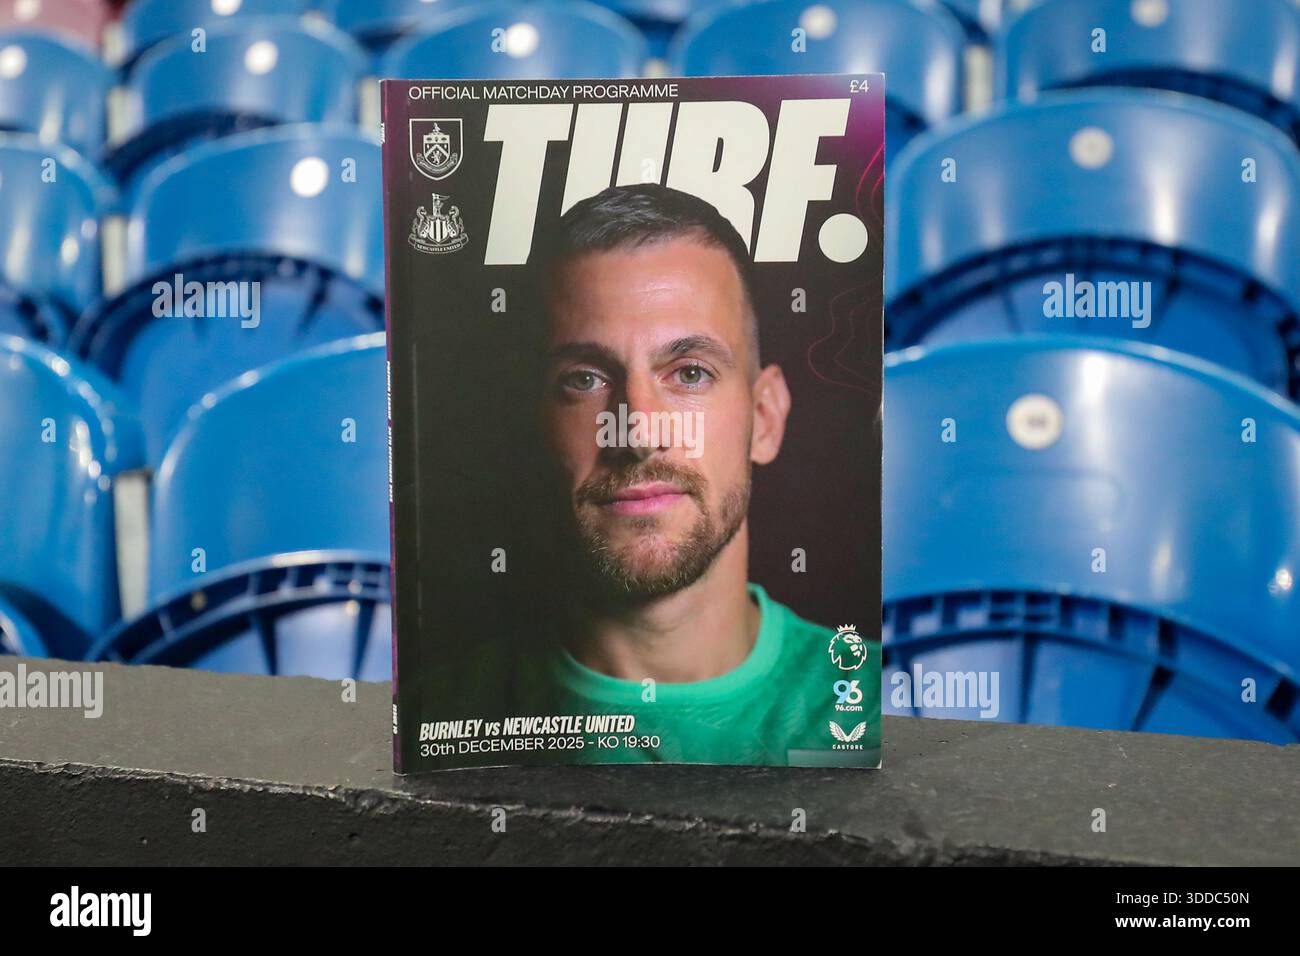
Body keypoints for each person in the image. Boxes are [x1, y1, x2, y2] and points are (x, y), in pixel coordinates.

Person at [438, 184, 878, 767]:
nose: (639, 433)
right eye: (584, 379)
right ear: (530, 425)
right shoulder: (447, 719)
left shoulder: (880, 707)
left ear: (765, 418)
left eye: (690, 373)